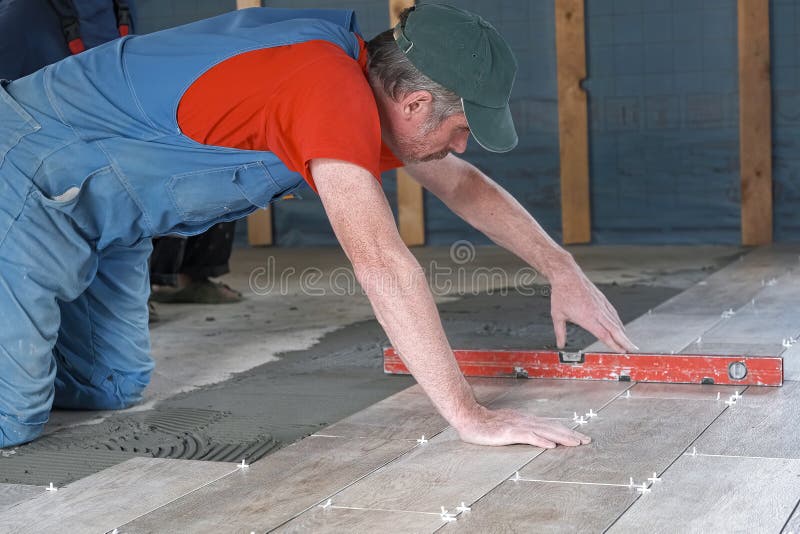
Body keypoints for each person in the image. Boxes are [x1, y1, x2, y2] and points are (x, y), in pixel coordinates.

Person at [0, 4, 636, 448]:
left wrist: (564, 271)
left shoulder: (371, 86)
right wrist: (470, 416)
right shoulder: (321, 85)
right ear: (415, 103)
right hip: (28, 172)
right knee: (13, 420)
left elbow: (465, 186)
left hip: (106, 217)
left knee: (110, 389)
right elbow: (381, 261)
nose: (462, 148)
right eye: (462, 129)